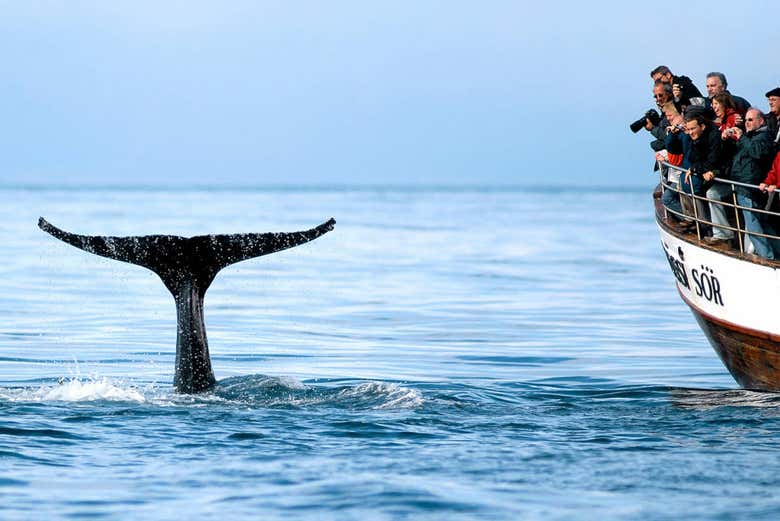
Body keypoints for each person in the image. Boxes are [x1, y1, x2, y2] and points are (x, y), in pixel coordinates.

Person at [725, 108, 778, 258]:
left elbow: (757, 152)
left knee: (753, 223)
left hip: (750, 185)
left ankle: (767, 257)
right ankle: (776, 251)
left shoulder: (764, 137)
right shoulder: (751, 137)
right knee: (760, 222)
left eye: (750, 120)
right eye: (746, 120)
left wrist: (741, 137)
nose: (747, 123)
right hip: (744, 184)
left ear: (761, 121)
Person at [681, 113, 722, 228]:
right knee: (687, 184)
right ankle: (702, 224)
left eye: (693, 128)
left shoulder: (713, 137)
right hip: (707, 172)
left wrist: (696, 169)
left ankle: (708, 227)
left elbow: (714, 160)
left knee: (707, 191)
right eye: (688, 129)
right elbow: (694, 158)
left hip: (722, 174)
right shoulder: (696, 139)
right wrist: (695, 168)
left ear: (702, 127)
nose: (690, 132)